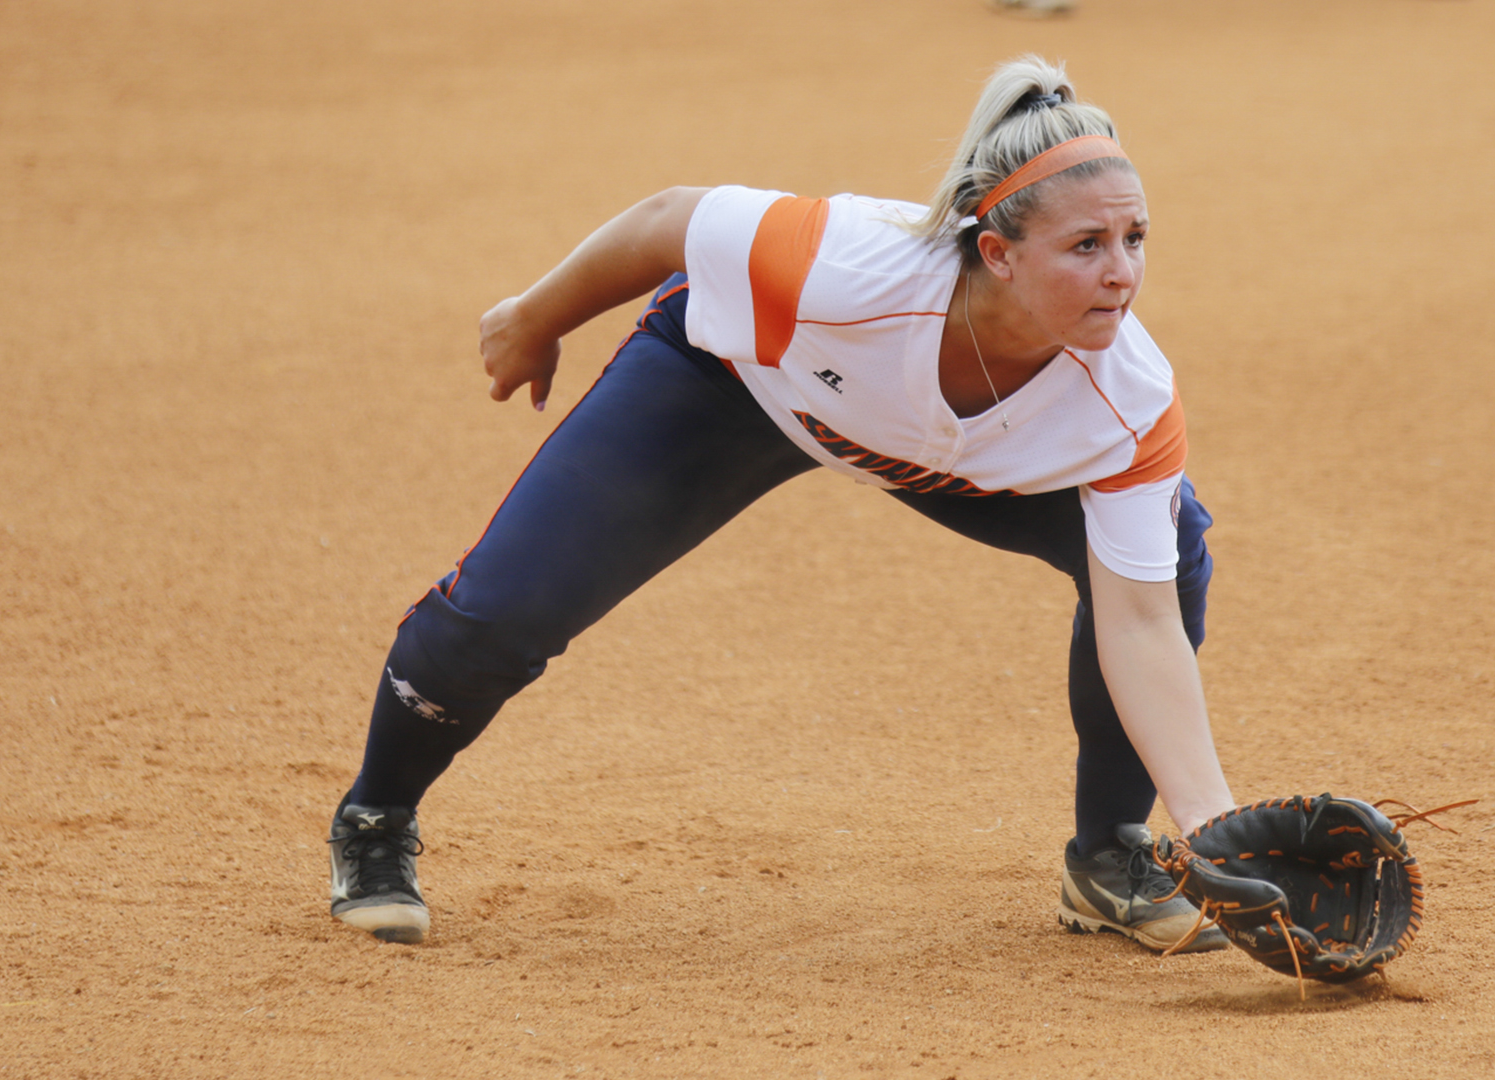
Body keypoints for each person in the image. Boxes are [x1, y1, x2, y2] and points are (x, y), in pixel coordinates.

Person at [327, 55, 1237, 956]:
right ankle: (376, 814)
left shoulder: (1127, 396)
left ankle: (1109, 854)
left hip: (952, 461)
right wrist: (536, 317)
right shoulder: (849, 271)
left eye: (1135, 239)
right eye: (1087, 245)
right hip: (739, 390)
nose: (1122, 273)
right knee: (505, 611)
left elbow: (1145, 623)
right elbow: (666, 220)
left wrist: (1213, 831)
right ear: (997, 253)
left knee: (1168, 543)